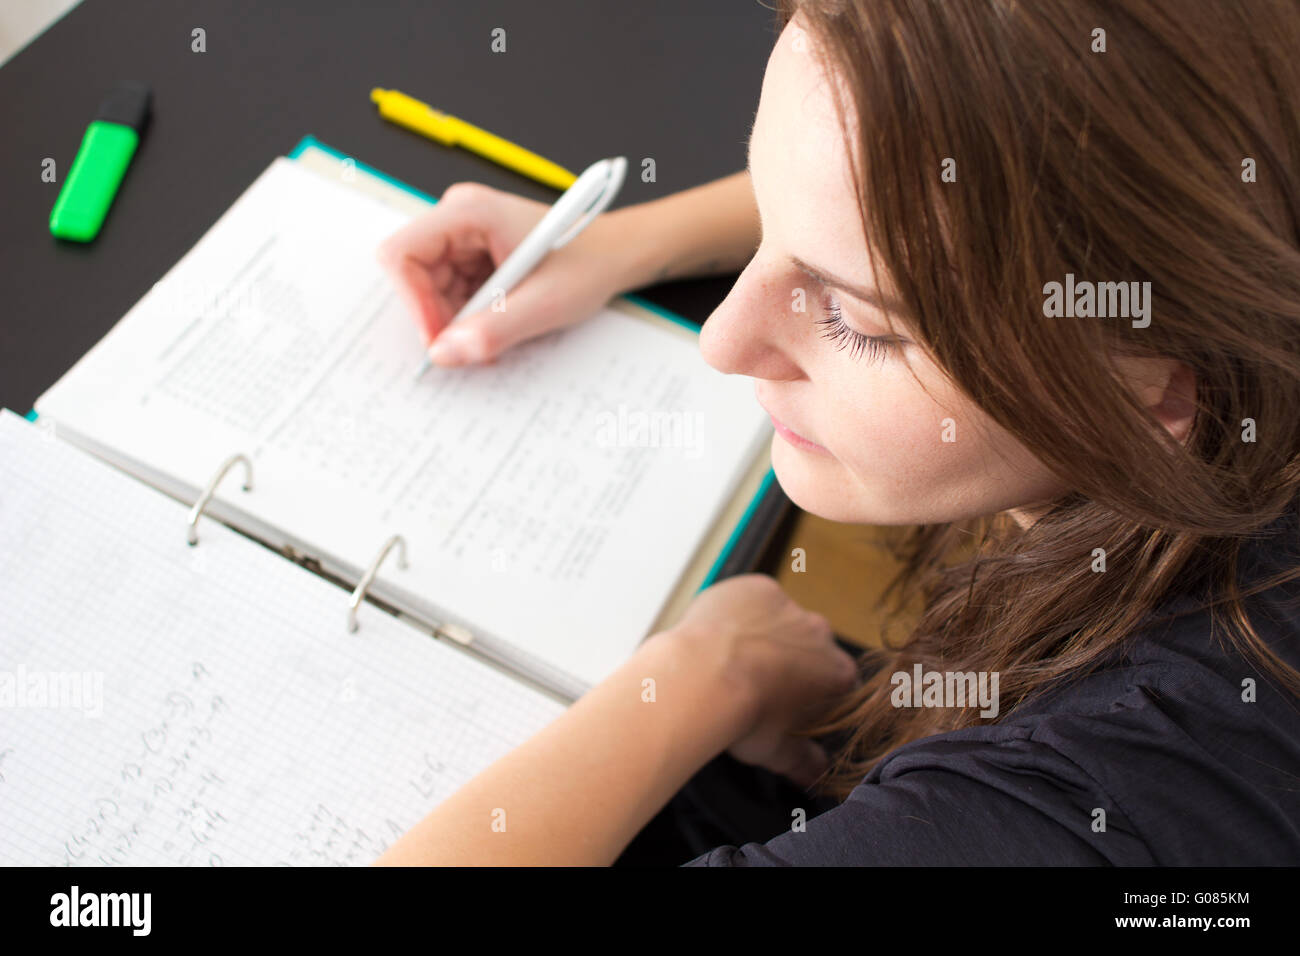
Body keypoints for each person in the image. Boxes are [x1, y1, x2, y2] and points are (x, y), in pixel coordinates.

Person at [371, 0, 1300, 865]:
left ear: (1151, 391)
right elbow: (942, 161)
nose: (726, 342)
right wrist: (627, 241)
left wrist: (706, 670)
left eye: (863, 322)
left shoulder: (1090, 799)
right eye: (771, 224)